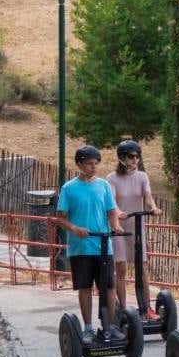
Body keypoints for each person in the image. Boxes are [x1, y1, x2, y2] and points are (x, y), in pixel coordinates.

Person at [55, 145, 125, 344]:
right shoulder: (69, 188)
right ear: (79, 164)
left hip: (103, 245)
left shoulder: (103, 185)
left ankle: (109, 326)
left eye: (95, 164)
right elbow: (60, 217)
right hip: (81, 248)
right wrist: (74, 228)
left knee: (109, 287)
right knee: (85, 287)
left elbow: (111, 211)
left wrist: (116, 226)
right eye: (89, 164)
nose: (93, 168)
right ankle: (87, 328)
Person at [107, 140, 163, 318]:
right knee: (121, 268)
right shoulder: (112, 178)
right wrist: (118, 212)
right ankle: (124, 310)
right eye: (131, 157)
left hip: (137, 226)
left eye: (137, 156)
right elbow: (111, 201)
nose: (135, 160)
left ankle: (147, 309)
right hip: (119, 227)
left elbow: (147, 196)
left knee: (142, 268)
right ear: (122, 158)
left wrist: (153, 207)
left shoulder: (142, 176)